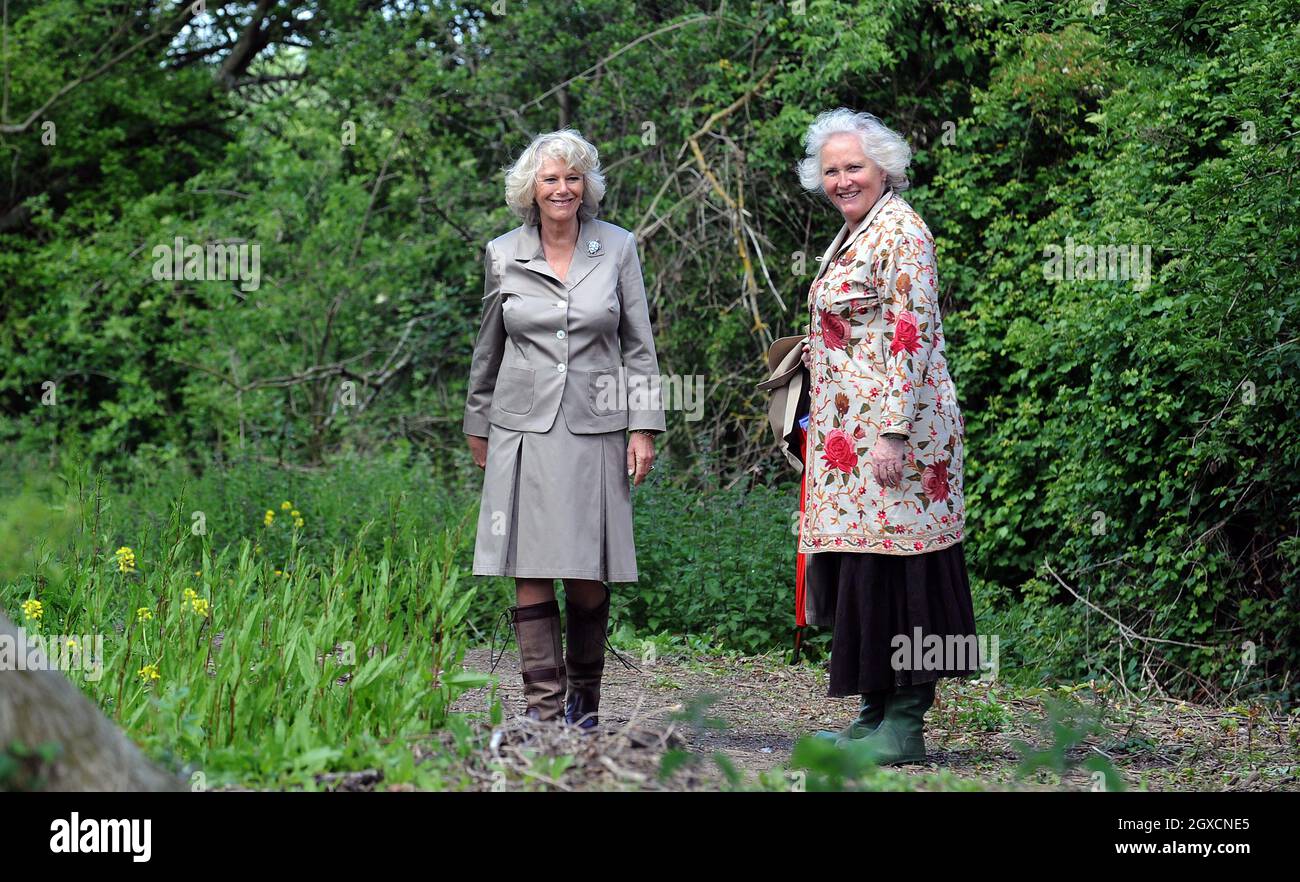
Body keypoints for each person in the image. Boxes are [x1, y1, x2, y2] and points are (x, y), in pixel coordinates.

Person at [793, 108, 979, 764]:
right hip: (855, 443)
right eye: (832, 170)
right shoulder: (855, 233)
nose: (843, 179)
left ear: (884, 169)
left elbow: (912, 332)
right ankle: (874, 717)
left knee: (908, 575)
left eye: (855, 167)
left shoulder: (902, 231)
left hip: (899, 440)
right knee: (867, 574)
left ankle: (907, 724)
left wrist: (894, 431)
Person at [463, 129, 665, 728]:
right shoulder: (502, 252)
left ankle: (585, 705)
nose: (562, 188)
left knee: (585, 570)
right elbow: (487, 346)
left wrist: (644, 426)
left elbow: (639, 346)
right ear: (531, 188)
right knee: (529, 565)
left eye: (572, 178)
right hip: (520, 429)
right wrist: (478, 421)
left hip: (596, 425)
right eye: (551, 178)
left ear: (586, 188)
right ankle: (543, 715)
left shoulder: (619, 247)